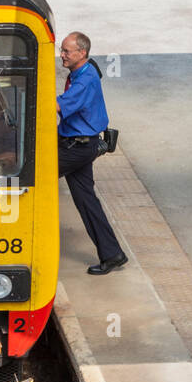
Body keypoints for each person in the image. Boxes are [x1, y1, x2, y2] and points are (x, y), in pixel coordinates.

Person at [57, 32, 127, 275]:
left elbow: (58, 106)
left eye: (66, 51)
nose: (61, 55)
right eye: (62, 50)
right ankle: (112, 254)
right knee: (86, 201)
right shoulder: (84, 71)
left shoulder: (84, 80)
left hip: (77, 147)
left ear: (82, 53)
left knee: (33, 173)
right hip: (77, 143)